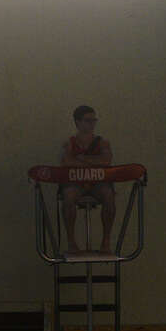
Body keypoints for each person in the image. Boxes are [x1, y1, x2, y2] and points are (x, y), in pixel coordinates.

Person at [59, 105, 116, 253]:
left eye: (93, 120)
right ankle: (71, 242)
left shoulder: (103, 142)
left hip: (97, 183)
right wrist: (94, 160)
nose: (91, 124)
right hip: (76, 183)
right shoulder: (70, 143)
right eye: (87, 120)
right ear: (77, 122)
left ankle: (106, 242)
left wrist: (82, 158)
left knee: (109, 195)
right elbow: (66, 162)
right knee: (68, 196)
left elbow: (106, 161)